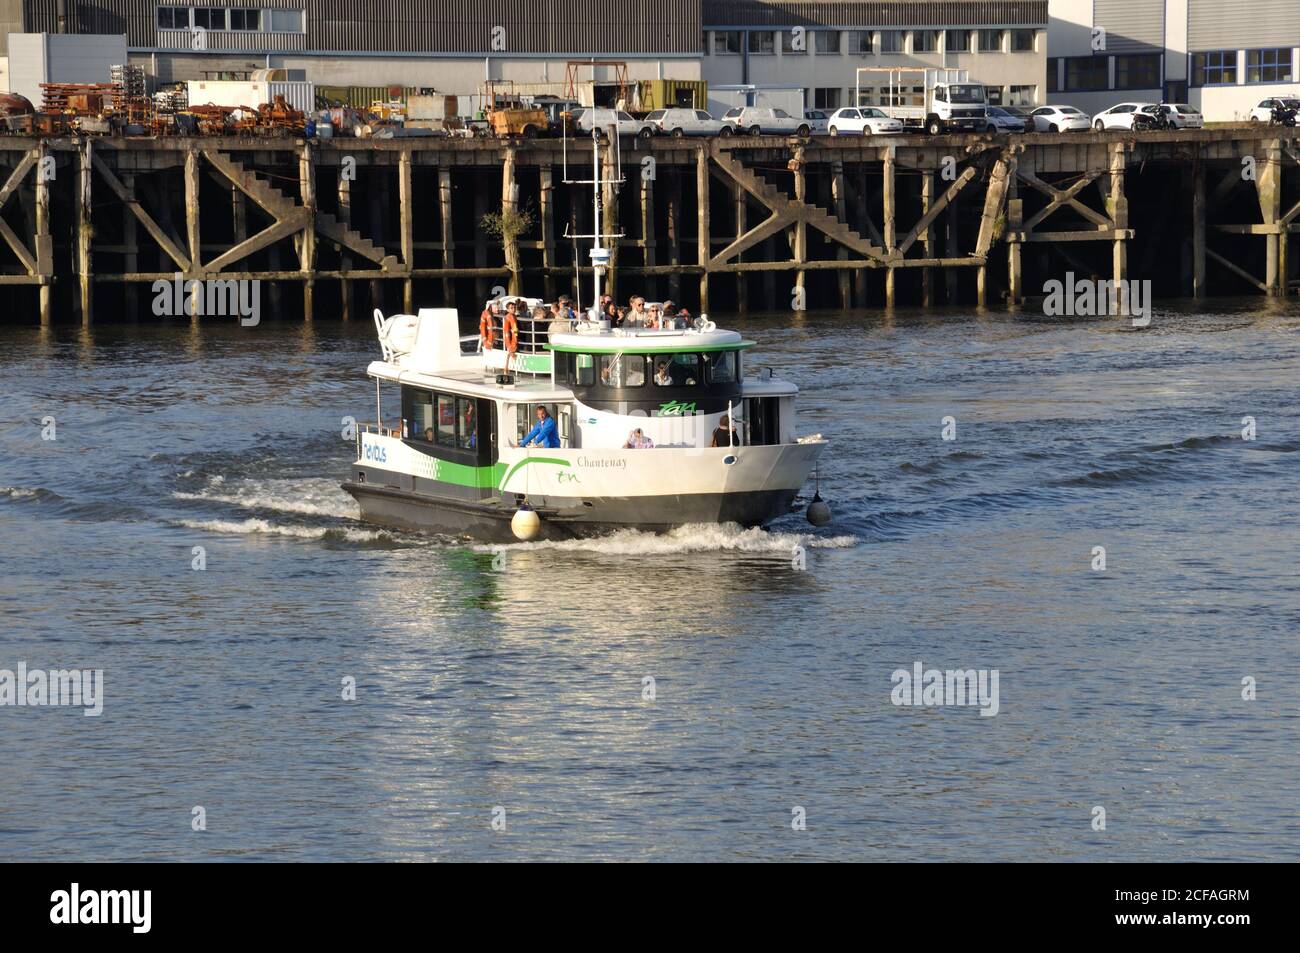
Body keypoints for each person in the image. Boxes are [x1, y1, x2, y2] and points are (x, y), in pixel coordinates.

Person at [502, 299, 520, 374]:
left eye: (514, 307)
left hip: (508, 335)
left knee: (509, 352)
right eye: (511, 308)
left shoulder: (512, 316)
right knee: (510, 351)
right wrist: (513, 343)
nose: (514, 309)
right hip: (509, 336)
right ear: (508, 309)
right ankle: (506, 368)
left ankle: (506, 367)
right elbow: (514, 329)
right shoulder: (510, 317)